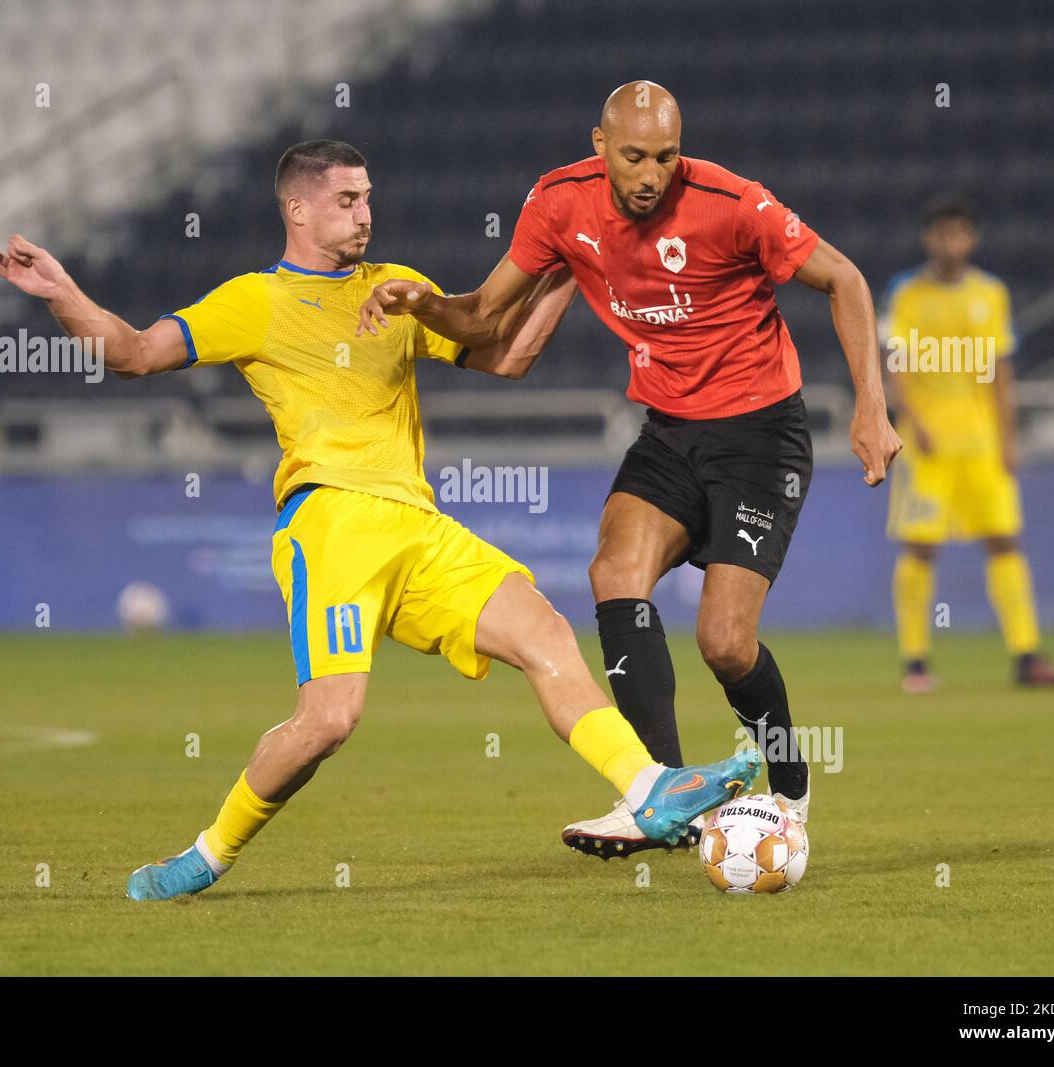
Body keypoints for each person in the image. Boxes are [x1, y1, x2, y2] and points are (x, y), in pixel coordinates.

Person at [0, 138, 761, 900]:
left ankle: (647, 786)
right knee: (328, 720)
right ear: (297, 208)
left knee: (545, 633)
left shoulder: (396, 285)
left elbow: (507, 353)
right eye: (346, 200)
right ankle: (206, 854)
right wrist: (62, 292)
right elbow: (132, 352)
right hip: (332, 523)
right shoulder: (254, 301)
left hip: (418, 525)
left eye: (368, 199)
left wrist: (566, 265)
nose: (364, 215)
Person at [358, 82, 900, 857]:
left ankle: (789, 784)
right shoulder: (558, 202)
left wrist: (870, 407)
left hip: (760, 435)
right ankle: (658, 793)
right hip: (670, 430)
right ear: (599, 146)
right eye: (635, 156)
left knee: (725, 642)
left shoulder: (731, 203)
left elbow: (844, 278)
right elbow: (482, 315)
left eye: (667, 156)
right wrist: (424, 302)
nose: (652, 173)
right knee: (614, 573)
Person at [882, 196, 1054, 692]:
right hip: (926, 447)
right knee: (921, 546)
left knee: (1005, 539)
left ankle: (1027, 655)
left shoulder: (992, 293)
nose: (951, 242)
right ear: (930, 239)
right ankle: (915, 660)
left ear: (972, 238)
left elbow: (1002, 371)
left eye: (959, 233)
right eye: (942, 233)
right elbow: (892, 364)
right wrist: (908, 422)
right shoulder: (906, 293)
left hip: (983, 442)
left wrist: (1009, 438)